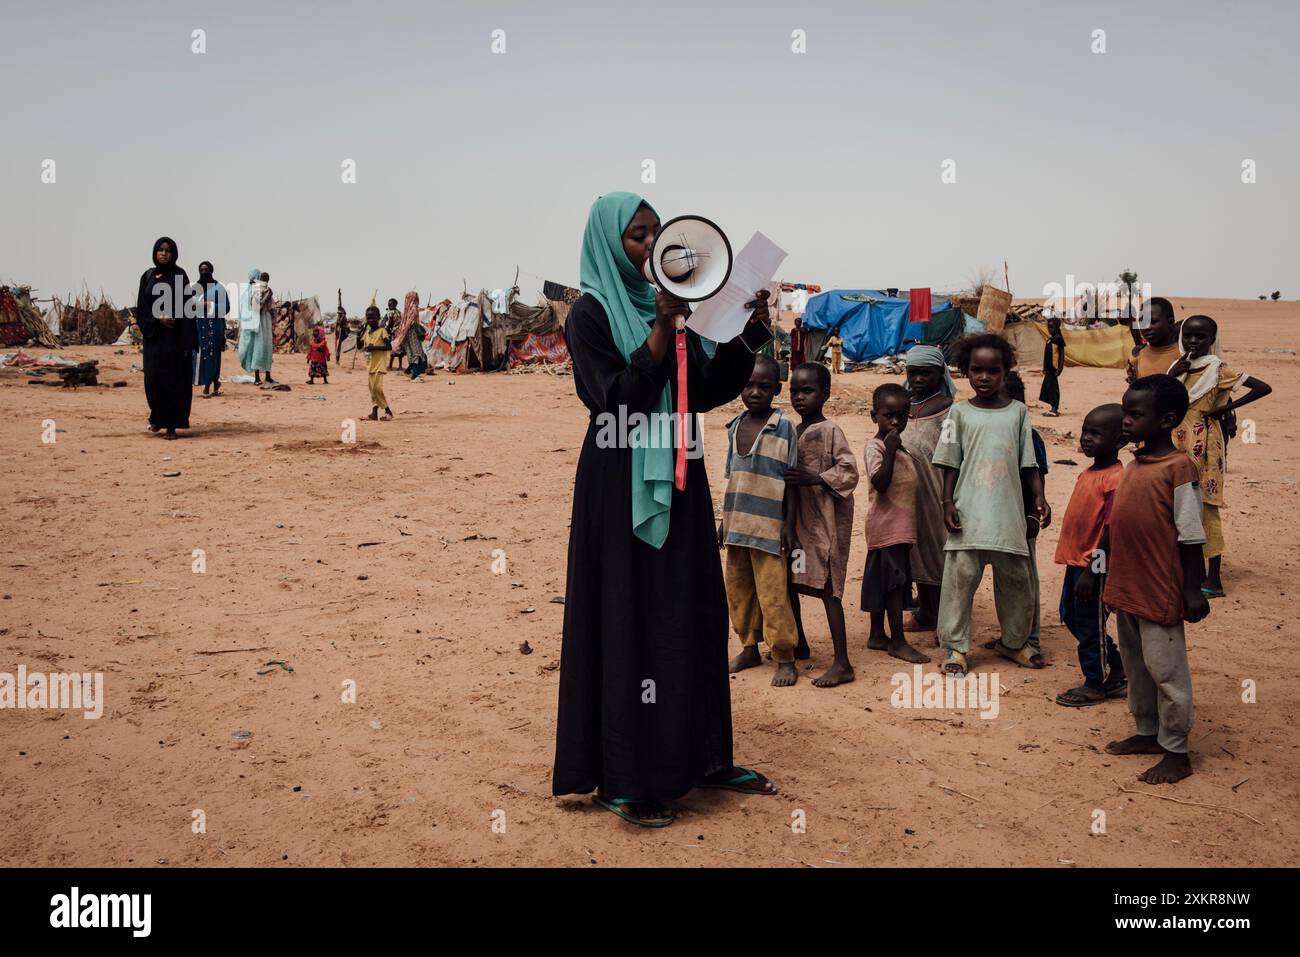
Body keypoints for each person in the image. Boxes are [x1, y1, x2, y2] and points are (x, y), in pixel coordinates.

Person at [552, 192, 779, 827]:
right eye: (636, 236)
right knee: (628, 613)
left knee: (689, 605)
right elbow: (614, 400)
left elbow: (704, 391)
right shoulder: (590, 315)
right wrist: (658, 330)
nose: (651, 248)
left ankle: (703, 756)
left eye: (656, 235)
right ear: (607, 244)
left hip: (681, 471)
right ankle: (624, 778)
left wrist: (746, 331)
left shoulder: (681, 316)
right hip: (618, 477)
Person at [1103, 374, 1210, 784]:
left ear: (1165, 420)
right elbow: (1116, 527)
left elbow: (1191, 536)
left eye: (1135, 414)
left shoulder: (1179, 468)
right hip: (1125, 588)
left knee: (1167, 671)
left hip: (1159, 590)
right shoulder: (1134, 464)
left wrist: (1192, 590)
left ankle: (1176, 751)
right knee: (1136, 666)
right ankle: (1148, 732)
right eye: (1125, 412)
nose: (1125, 421)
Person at [932, 334, 1049, 676]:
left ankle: (1015, 643)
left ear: (1005, 372)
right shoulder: (958, 413)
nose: (984, 377)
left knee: (1016, 581)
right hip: (968, 514)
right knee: (959, 581)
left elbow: (1029, 463)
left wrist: (1038, 497)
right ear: (965, 372)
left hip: (1007, 514)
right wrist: (946, 502)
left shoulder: (1018, 413)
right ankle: (954, 649)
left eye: (993, 371)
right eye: (976, 370)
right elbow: (949, 462)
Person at [1168, 315, 1271, 598]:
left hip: (1205, 448)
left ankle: (1214, 579)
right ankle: (1188, 572)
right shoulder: (1179, 366)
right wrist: (1173, 372)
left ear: (1212, 340)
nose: (1192, 341)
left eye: (1200, 337)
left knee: (1206, 507)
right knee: (1178, 504)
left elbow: (1263, 388)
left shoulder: (1218, 369)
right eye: (1188, 335)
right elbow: (1163, 396)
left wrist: (1224, 409)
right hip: (1177, 442)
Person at [719, 356, 802, 687]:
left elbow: (792, 482)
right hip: (738, 525)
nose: (755, 392)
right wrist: (725, 521)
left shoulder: (784, 428)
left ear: (777, 389)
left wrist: (788, 524)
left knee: (773, 595)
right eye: (748, 385)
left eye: (764, 387)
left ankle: (784, 656)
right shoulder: (735, 426)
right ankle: (749, 647)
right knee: (738, 592)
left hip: (769, 528)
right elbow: (733, 479)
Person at [785, 362, 860, 687]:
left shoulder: (830, 431)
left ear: (825, 394)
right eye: (794, 392)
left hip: (824, 526)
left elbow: (849, 471)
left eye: (807, 391)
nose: (800, 398)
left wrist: (815, 478)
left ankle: (842, 662)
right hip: (798, 525)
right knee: (792, 582)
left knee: (829, 589)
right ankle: (799, 642)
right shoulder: (791, 431)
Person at [1054, 404, 1127, 707]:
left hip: (1093, 566)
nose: (1086, 438)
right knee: (1071, 616)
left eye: (1096, 434)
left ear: (1120, 440)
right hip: (1076, 561)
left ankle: (1094, 683)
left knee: (1088, 623)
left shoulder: (1115, 479)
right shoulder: (1089, 472)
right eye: (1085, 431)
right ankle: (1118, 666)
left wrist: (1093, 570)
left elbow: (1110, 531)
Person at [862, 383, 930, 663]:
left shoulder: (900, 447)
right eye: (888, 415)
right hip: (886, 528)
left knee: (886, 583)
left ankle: (877, 635)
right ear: (873, 416)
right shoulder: (876, 447)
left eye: (902, 416)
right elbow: (880, 483)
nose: (895, 421)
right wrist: (890, 451)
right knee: (893, 585)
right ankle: (898, 641)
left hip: (899, 528)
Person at [900, 344, 954, 632]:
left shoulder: (949, 411)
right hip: (905, 494)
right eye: (913, 373)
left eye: (926, 373)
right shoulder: (901, 407)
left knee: (938, 552)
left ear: (939, 373)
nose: (918, 379)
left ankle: (939, 614)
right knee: (915, 550)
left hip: (937, 492)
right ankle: (925, 610)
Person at [135, 237, 196, 439]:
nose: (164, 253)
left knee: (173, 380)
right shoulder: (148, 276)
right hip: (154, 338)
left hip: (174, 339)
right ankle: (157, 417)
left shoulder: (180, 275)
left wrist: (187, 339)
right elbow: (142, 307)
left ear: (174, 254)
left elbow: (188, 307)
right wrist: (156, 319)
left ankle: (171, 425)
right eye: (160, 250)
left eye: (168, 250)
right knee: (153, 380)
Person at [193, 260, 228, 397]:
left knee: (213, 355)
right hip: (199, 326)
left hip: (214, 326)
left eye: (206, 269)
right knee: (202, 356)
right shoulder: (195, 288)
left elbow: (226, 308)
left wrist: (209, 304)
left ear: (211, 271)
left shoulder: (219, 288)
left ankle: (209, 385)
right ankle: (212, 383)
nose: (204, 272)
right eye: (201, 270)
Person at [1125, 296, 1180, 383]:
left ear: (1170, 322)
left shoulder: (1183, 356)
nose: (1146, 327)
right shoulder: (1137, 356)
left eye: (1153, 321)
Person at [238, 267, 275, 384]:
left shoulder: (256, 290)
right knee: (258, 349)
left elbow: (272, 307)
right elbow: (256, 308)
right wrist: (267, 296)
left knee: (267, 348)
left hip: (264, 323)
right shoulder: (254, 291)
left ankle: (267, 376)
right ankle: (258, 378)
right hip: (258, 324)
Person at [361, 306, 393, 420]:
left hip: (379, 363)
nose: (371, 321)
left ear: (379, 318)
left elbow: (389, 346)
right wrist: (360, 332)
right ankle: (374, 413)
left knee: (377, 388)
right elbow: (361, 346)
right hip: (370, 364)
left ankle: (388, 411)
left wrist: (374, 348)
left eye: (373, 318)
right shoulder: (367, 333)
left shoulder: (382, 331)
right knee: (372, 389)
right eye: (368, 318)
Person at [1039, 314, 1065, 416]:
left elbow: (1061, 354)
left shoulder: (1058, 338)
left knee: (1053, 388)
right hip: (1049, 369)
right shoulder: (1051, 338)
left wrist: (1060, 368)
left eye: (1052, 327)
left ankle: (1054, 410)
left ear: (1057, 327)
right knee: (1048, 387)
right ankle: (1053, 408)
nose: (1050, 329)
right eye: (1048, 327)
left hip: (1053, 369)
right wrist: (1044, 368)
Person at [383, 298, 404, 371]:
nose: (389, 305)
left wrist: (387, 330)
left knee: (393, 348)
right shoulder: (399, 312)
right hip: (399, 332)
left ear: (395, 305)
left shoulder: (391, 312)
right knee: (399, 349)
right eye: (388, 304)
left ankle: (390, 366)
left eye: (390, 304)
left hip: (394, 332)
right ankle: (399, 366)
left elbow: (390, 323)